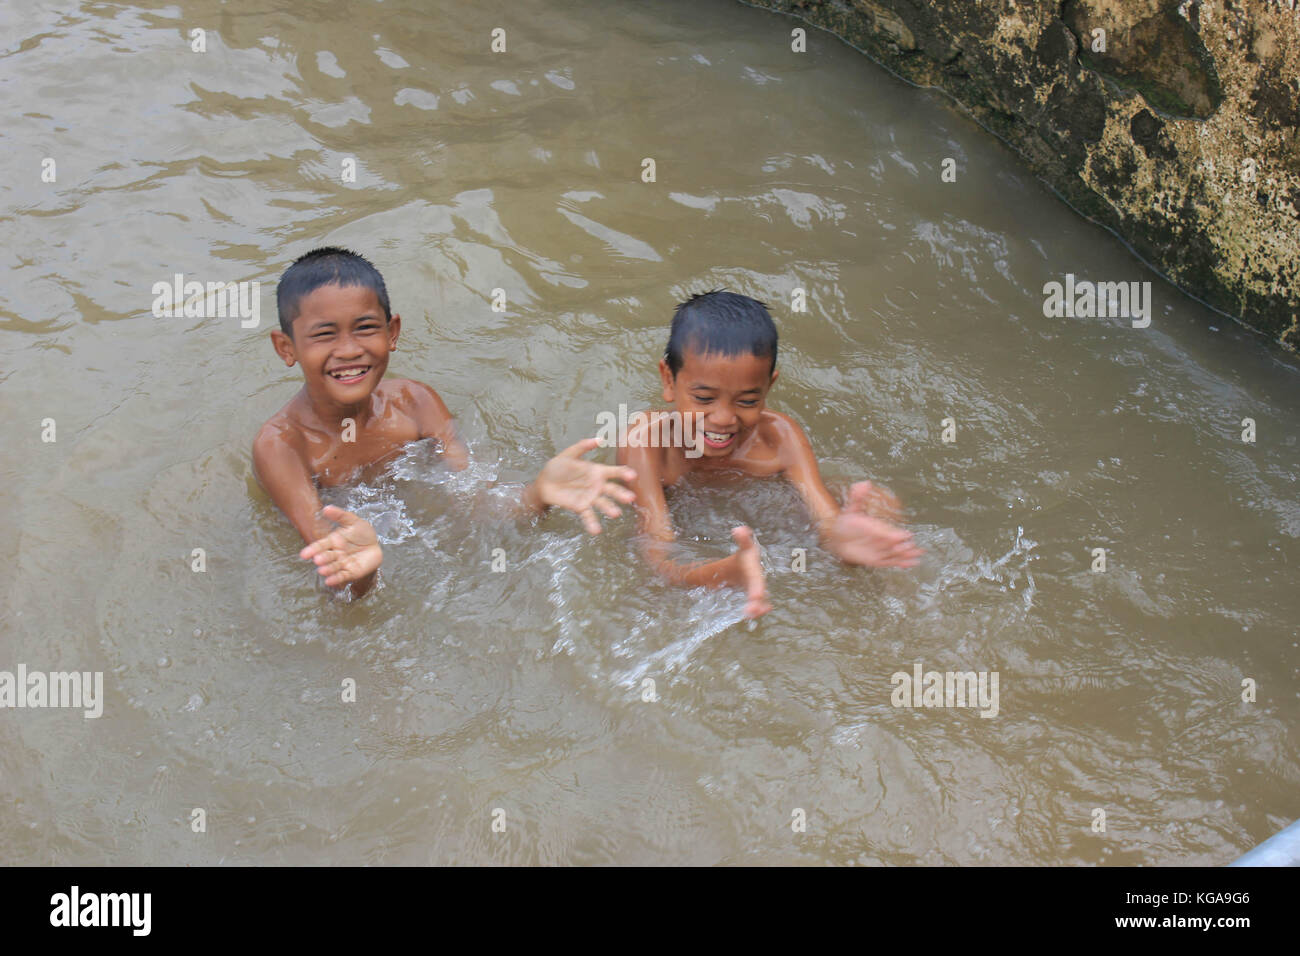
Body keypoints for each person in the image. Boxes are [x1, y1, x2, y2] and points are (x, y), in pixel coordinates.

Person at [253, 246, 635, 597]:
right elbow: (336, 573)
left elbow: (475, 500)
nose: (350, 350)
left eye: (366, 328)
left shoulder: (415, 403)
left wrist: (537, 494)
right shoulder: (283, 447)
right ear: (286, 348)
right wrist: (364, 573)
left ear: (392, 333)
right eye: (324, 335)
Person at [617, 290, 923, 618]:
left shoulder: (780, 437)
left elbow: (823, 515)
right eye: (704, 399)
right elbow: (657, 550)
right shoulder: (647, 443)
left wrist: (839, 538)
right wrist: (720, 574)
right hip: (695, 516)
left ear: (768, 387)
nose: (724, 418)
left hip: (765, 505)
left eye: (747, 401)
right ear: (668, 380)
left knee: (880, 503)